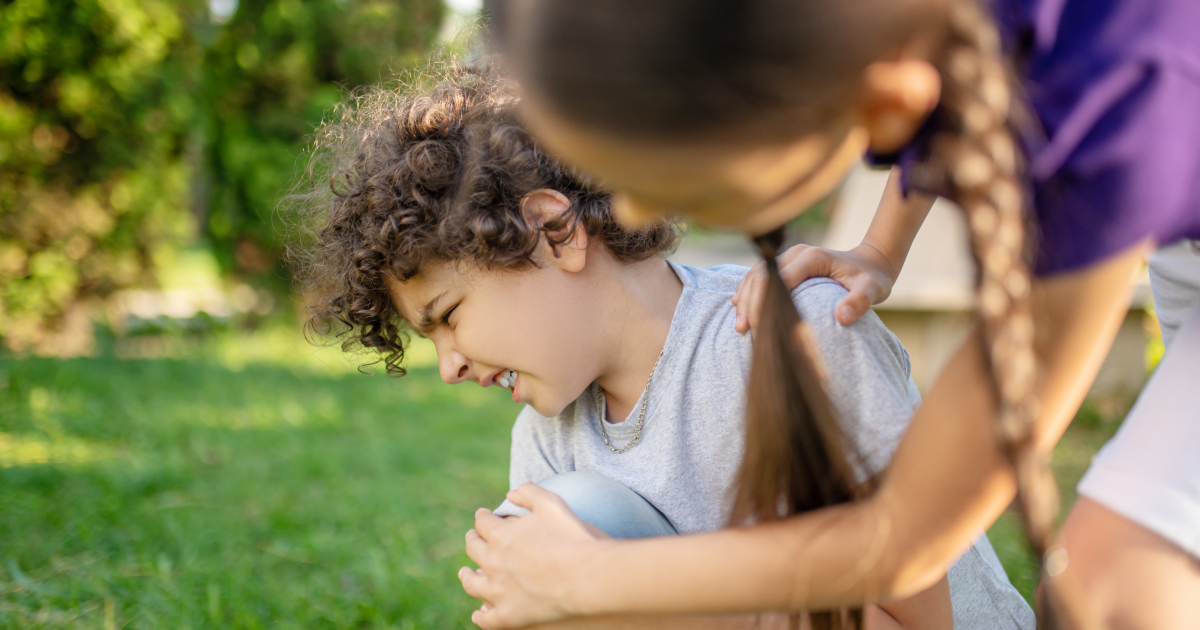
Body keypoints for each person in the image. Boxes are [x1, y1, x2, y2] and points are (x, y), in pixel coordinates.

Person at [458, 0, 1200, 628]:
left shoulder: (1114, 113)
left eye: (663, 179)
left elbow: (908, 535)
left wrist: (586, 581)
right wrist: (881, 247)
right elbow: (957, 69)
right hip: (1181, 233)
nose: (636, 212)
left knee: (1112, 592)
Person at [289, 61, 1035, 629]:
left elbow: (921, 610)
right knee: (554, 519)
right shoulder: (549, 444)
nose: (448, 365)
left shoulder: (787, 336)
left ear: (553, 230)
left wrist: (633, 587)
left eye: (448, 316)